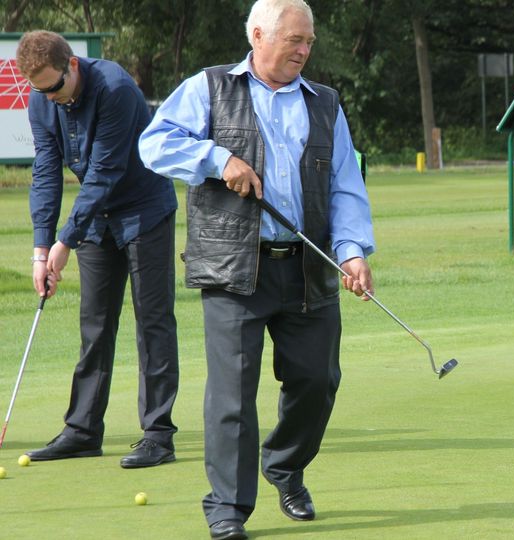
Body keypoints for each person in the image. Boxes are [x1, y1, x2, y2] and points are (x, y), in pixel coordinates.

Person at [139, 1, 375, 538]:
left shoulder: (325, 102)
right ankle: (227, 507)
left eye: (309, 42)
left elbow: (344, 184)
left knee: (317, 381)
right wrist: (218, 159)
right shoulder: (209, 87)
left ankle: (285, 466)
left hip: (308, 269)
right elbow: (154, 144)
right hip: (234, 270)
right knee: (233, 397)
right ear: (258, 35)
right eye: (295, 40)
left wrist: (352, 251)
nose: (304, 50)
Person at [16, 31, 180, 469]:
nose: (49, 97)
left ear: (72, 65)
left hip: (144, 210)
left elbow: (105, 171)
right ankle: (83, 431)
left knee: (153, 322)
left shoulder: (115, 88)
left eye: (54, 87)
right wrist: (41, 249)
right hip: (97, 218)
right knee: (95, 325)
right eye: (40, 90)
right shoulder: (42, 99)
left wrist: (65, 240)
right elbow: (46, 172)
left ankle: (158, 435)